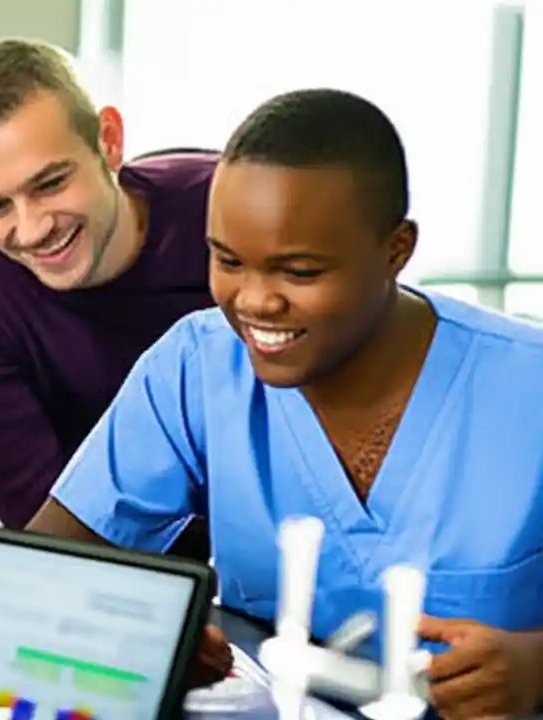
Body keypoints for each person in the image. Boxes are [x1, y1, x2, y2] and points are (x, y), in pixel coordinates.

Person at [30, 87, 543, 717]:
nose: (254, 301)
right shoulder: (198, 367)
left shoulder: (527, 387)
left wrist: (534, 667)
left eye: (299, 272)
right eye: (227, 261)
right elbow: (43, 571)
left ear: (396, 250)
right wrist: (153, 636)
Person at [0, 38, 216, 533]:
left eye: (50, 185)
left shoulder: (225, 210)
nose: (31, 230)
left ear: (109, 141)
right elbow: (44, 529)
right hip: (109, 563)